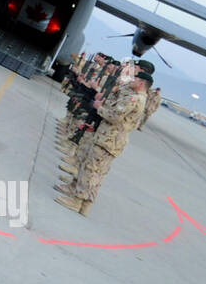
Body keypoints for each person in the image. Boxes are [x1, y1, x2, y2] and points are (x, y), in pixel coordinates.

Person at [56, 60, 151, 215]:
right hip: (110, 139)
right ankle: (85, 205)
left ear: (142, 83)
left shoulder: (135, 99)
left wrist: (99, 108)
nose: (132, 79)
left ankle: (76, 201)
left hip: (108, 139)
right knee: (97, 173)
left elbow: (115, 117)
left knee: (91, 170)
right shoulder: (137, 97)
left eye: (135, 78)